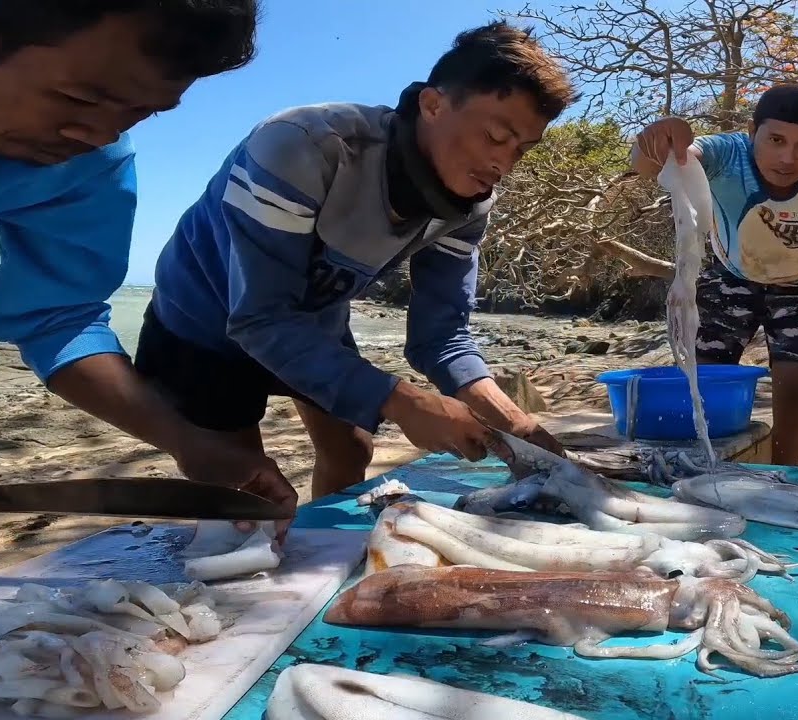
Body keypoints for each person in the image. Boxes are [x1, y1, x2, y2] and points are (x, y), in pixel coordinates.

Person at [0, 1, 299, 602]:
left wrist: (186, 440)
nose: (95, 134)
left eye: (139, 112)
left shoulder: (84, 162)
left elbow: (58, 316)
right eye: (80, 98)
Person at [133, 21, 575, 500]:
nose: (503, 164)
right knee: (244, 484)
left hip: (309, 319)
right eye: (494, 135)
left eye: (522, 150)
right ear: (433, 104)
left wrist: (513, 421)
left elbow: (441, 336)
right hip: (200, 327)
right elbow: (261, 320)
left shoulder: (469, 205)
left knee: (351, 447)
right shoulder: (300, 147)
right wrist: (403, 402)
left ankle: (334, 553)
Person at [631, 83, 798, 467]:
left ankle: (783, 481)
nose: (787, 157)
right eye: (775, 139)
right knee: (700, 386)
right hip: (731, 275)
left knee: (795, 397)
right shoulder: (726, 154)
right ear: (751, 130)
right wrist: (659, 138)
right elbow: (652, 163)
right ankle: (704, 475)